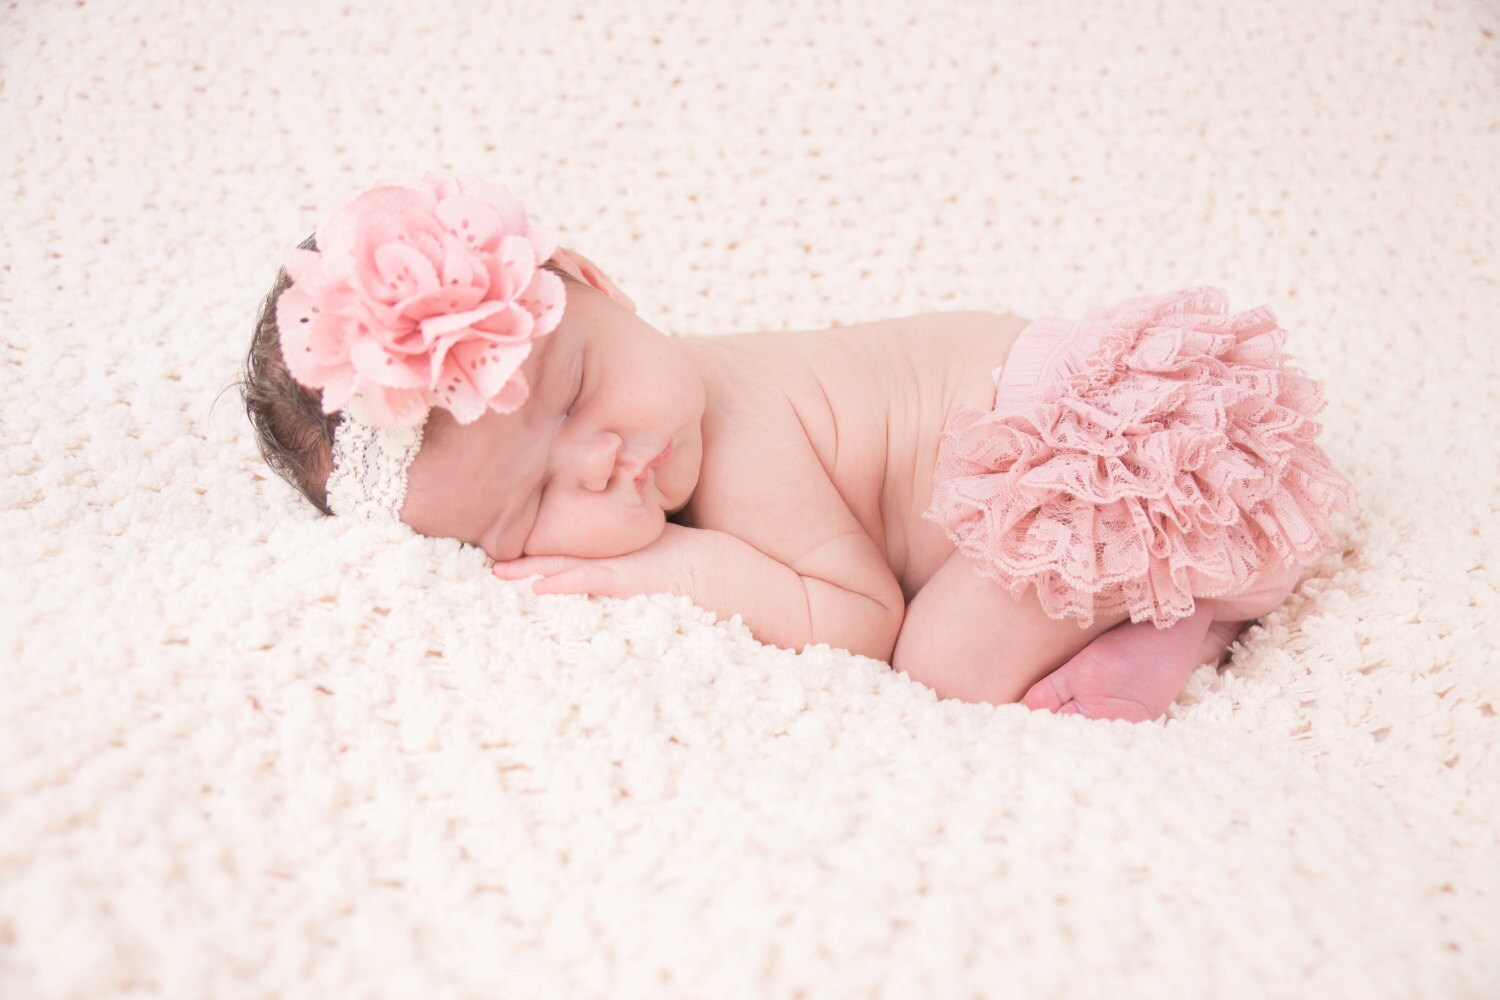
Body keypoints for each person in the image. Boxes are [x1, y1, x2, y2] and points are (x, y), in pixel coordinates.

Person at [241, 172, 1358, 722]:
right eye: (527, 511)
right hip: (1120, 477)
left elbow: (859, 617)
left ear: (597, 284)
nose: (594, 462)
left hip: (1126, 459)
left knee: (941, 669)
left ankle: (1187, 614)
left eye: (578, 387)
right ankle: (1171, 610)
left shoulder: (739, 423)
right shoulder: (656, 418)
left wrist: (667, 566)